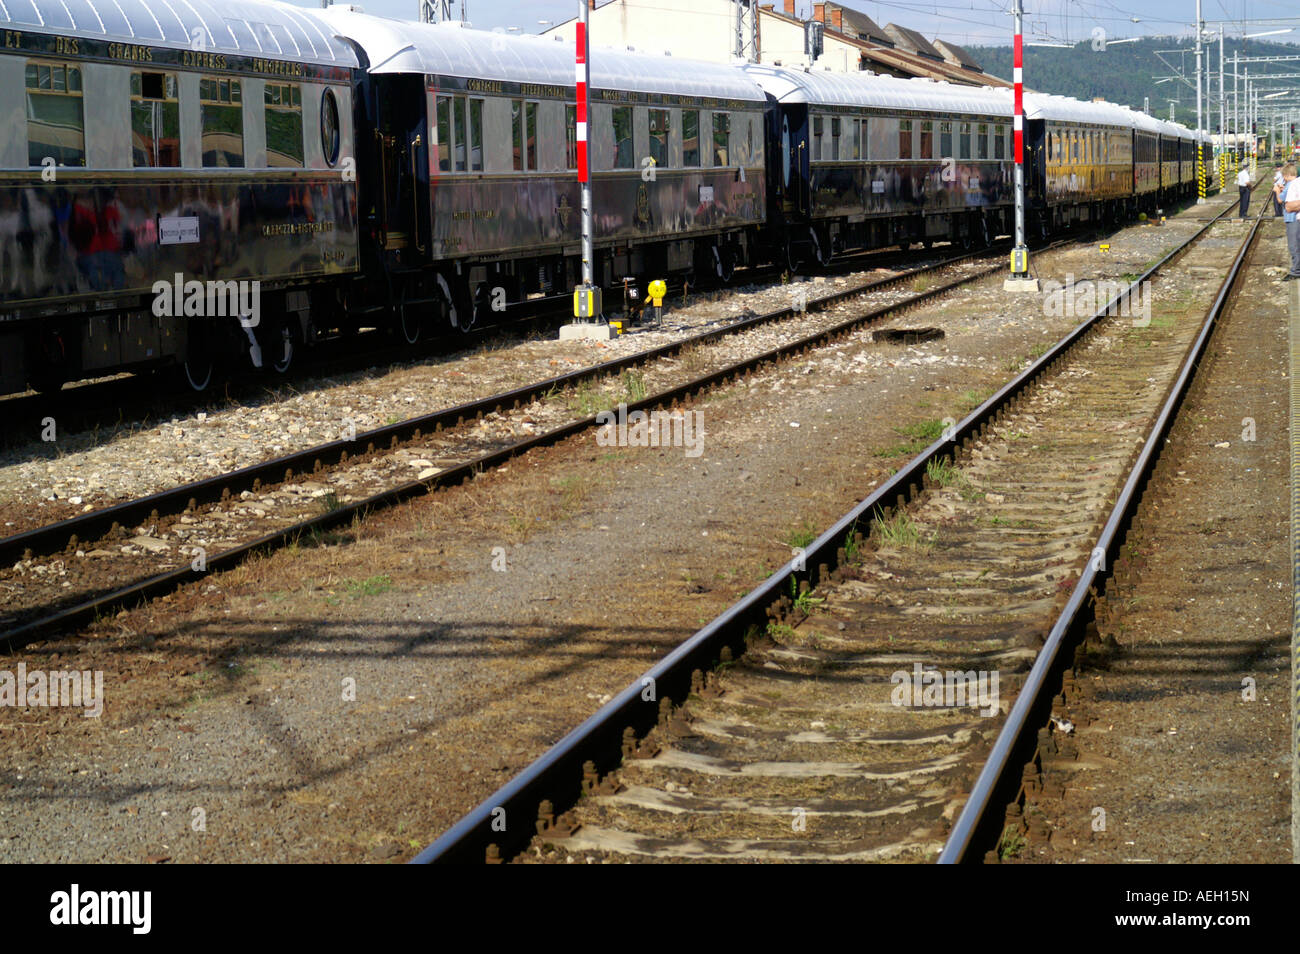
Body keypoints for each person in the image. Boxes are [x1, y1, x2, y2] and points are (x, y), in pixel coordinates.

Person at [1283, 164, 1300, 281]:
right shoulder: (1295, 184)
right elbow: (1289, 206)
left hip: (1295, 220)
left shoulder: (1293, 184)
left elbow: (1289, 206)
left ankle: (1296, 271)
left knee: (1294, 245)